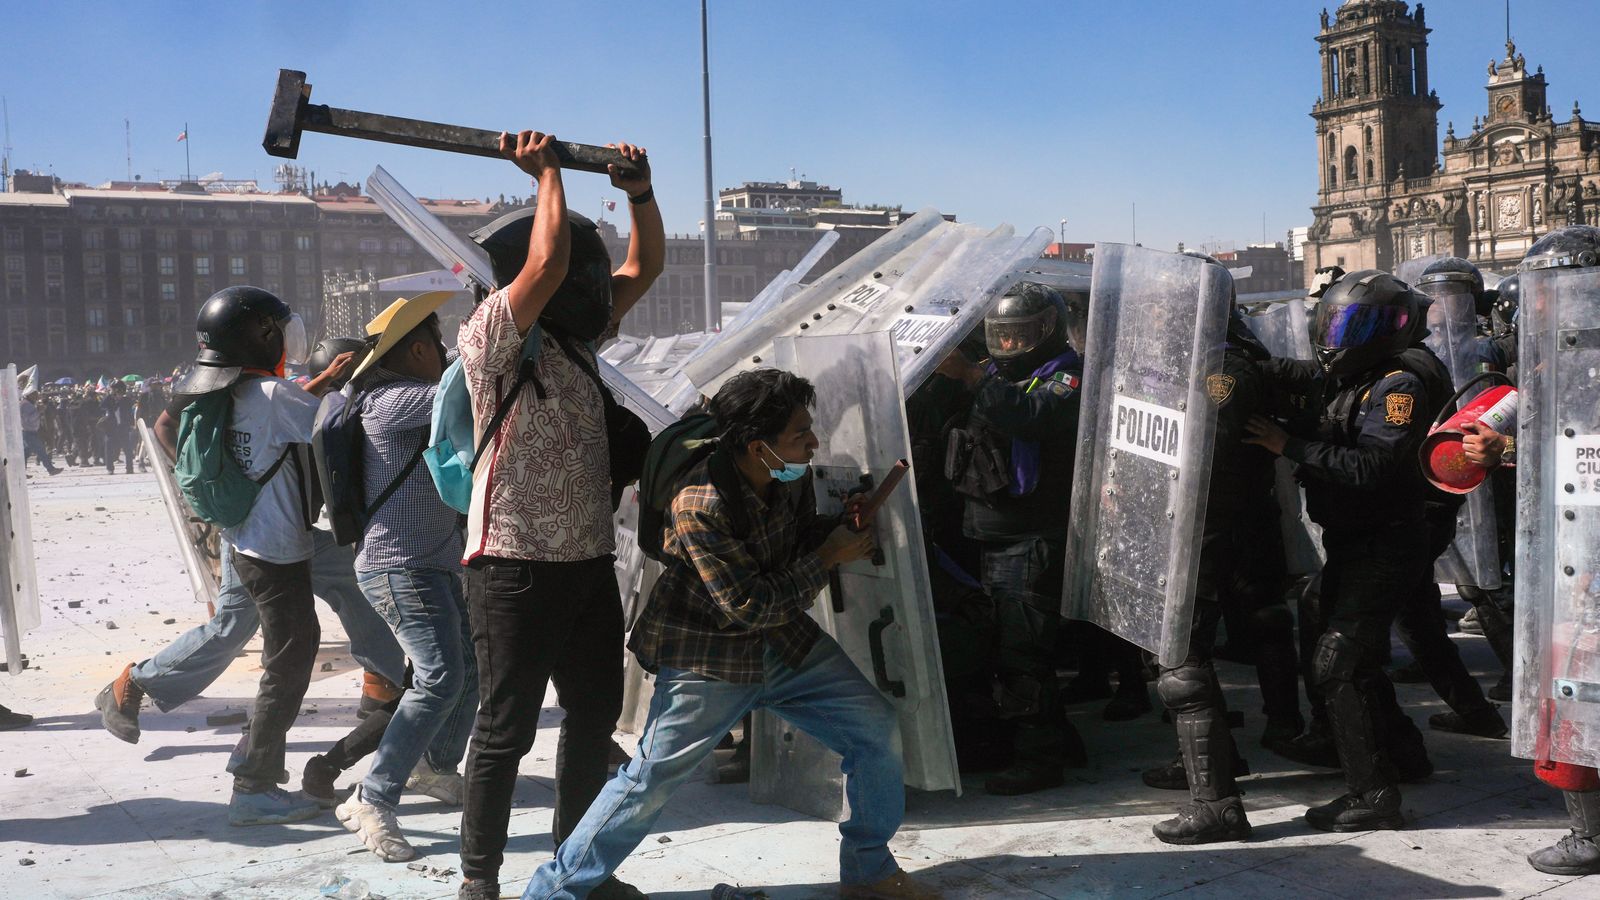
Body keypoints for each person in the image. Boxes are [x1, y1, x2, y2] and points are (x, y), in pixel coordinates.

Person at [519, 368, 939, 900]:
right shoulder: (701, 503)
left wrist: (833, 529)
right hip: (708, 656)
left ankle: (868, 871)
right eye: (799, 435)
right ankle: (553, 893)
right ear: (757, 446)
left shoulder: (786, 475)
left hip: (782, 643)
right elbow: (746, 603)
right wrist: (829, 556)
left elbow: (786, 548)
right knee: (648, 782)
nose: (813, 443)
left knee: (874, 731)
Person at [455, 130, 661, 900]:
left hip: (584, 562)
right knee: (504, 731)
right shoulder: (495, 339)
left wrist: (639, 195)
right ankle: (480, 879)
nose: (597, 285)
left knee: (593, 717)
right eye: (586, 271)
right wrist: (546, 177)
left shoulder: (579, 340)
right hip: (513, 564)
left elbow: (645, 267)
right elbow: (545, 266)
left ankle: (578, 869)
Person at [1246, 268, 1451, 832]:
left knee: (1337, 662)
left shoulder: (1400, 386)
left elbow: (1374, 466)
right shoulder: (1356, 373)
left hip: (1388, 539)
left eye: (1354, 324)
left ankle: (1372, 793)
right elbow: (1297, 372)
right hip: (1355, 539)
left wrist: (1290, 445)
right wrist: (1232, 368)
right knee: (1328, 629)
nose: (1339, 335)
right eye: (1335, 321)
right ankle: (1403, 751)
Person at [166, 284, 351, 826]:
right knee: (287, 665)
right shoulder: (274, 398)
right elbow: (330, 424)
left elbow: (291, 409)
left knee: (287, 656)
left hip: (244, 542)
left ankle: (252, 757)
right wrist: (351, 384)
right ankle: (255, 786)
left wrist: (320, 381)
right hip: (276, 551)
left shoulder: (229, 393)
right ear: (262, 336)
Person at [1144, 258, 1300, 844]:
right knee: (1207, 645)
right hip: (1209, 524)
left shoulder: (1226, 367)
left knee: (1182, 660)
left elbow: (1212, 429)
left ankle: (1217, 804)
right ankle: (1216, 765)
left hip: (1214, 527)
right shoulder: (1207, 360)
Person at [333, 293, 477, 863]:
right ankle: (373, 795)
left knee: (466, 670)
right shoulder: (395, 401)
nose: (443, 355)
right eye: (438, 346)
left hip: (430, 561)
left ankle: (433, 766)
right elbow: (470, 395)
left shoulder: (402, 396)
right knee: (440, 676)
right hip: (401, 566)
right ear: (418, 349)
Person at [933, 283, 1091, 796]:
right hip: (995, 534)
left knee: (1022, 651)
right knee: (1011, 643)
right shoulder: (1005, 376)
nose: (1007, 346)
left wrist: (974, 375)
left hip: (1032, 536)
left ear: (1046, 330)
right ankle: (1058, 738)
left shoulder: (1068, 375)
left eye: (1018, 336)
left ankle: (1039, 757)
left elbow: (1033, 418)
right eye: (1000, 337)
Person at [1497, 226, 1600, 877]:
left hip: (1588, 556)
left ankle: (1590, 836)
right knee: (1570, 686)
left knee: (1577, 682)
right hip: (1570, 551)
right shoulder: (1545, 367)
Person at [18, 386, 61, 475]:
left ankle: (20, 473)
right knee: (41, 450)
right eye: (35, 394)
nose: (37, 396)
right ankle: (51, 469)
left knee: (26, 453)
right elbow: (28, 419)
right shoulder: (25, 404)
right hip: (28, 431)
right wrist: (38, 411)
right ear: (29, 395)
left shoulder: (28, 403)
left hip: (30, 431)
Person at [100, 381, 138, 474]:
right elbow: (102, 405)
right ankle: (110, 468)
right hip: (111, 428)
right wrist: (110, 395)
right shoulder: (109, 400)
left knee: (127, 448)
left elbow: (130, 409)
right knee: (109, 447)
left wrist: (120, 399)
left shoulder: (126, 400)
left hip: (123, 427)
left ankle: (129, 468)